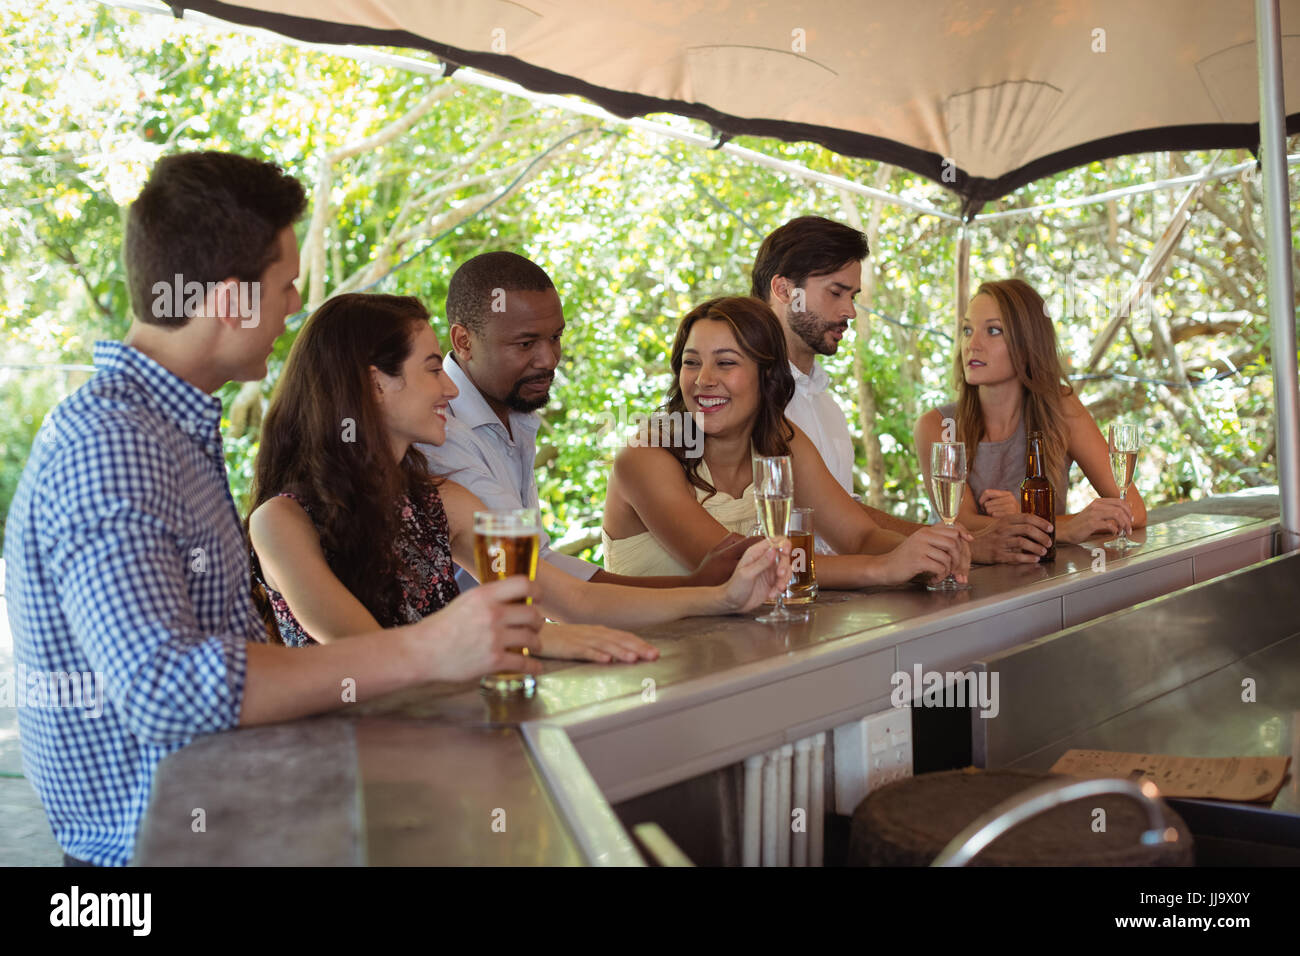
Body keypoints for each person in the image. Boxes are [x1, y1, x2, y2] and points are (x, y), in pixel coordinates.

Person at [2, 152, 547, 867]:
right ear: (231, 298)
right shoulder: (114, 444)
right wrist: (428, 648)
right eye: (285, 285)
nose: (294, 306)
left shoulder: (170, 431)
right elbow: (163, 688)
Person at [247, 293, 790, 653]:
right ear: (374, 384)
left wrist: (721, 597)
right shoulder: (281, 522)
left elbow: (570, 598)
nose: (450, 388)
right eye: (434, 369)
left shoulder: (448, 502)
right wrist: (538, 640)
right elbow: (366, 650)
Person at [419, 251, 753, 590]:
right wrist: (701, 589)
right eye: (525, 343)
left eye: (555, 337)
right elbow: (532, 578)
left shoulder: (512, 409)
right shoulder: (439, 431)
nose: (549, 359)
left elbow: (537, 559)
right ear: (464, 341)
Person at [601, 296, 969, 587]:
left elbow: (859, 537)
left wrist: (931, 552)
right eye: (691, 363)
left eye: (726, 363)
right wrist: (882, 569)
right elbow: (738, 565)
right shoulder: (646, 455)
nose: (703, 380)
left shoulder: (782, 442)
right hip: (646, 664)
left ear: (766, 376)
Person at [752, 215, 1055, 564]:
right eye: (836, 292)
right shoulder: (747, 401)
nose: (850, 310)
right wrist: (969, 545)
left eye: (853, 295)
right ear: (784, 290)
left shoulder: (826, 407)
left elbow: (852, 523)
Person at [914, 278, 1146, 544]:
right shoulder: (938, 426)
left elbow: (1134, 510)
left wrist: (1024, 516)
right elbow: (960, 523)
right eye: (967, 330)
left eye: (993, 331)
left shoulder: (1060, 408)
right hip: (962, 577)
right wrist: (1059, 527)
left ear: (1027, 343)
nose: (972, 344)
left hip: (1043, 580)